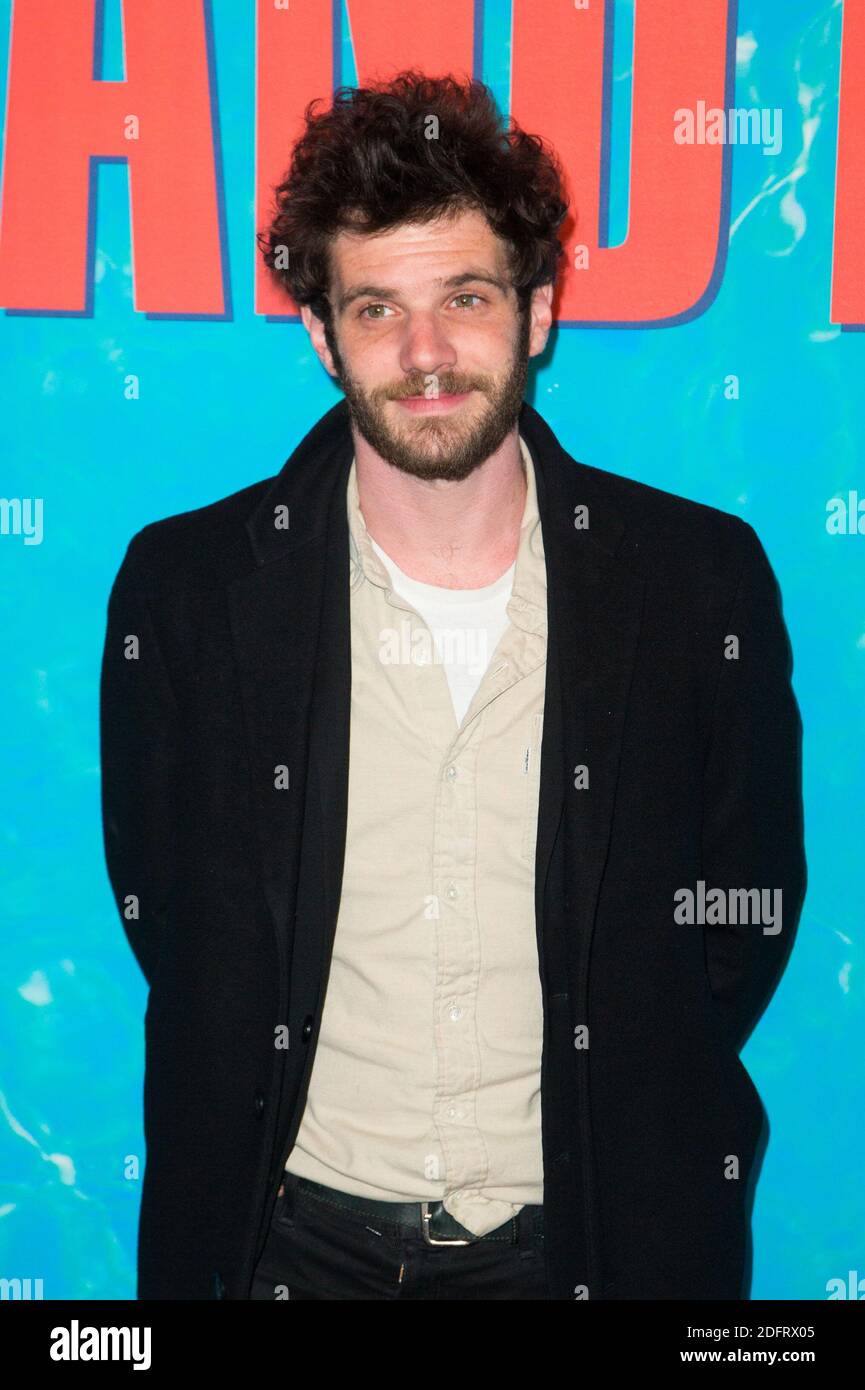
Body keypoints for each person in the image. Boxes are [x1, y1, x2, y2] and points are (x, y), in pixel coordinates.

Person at [99, 70, 806, 1301]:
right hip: (277, 1249)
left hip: (594, 1246)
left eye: (466, 298)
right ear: (322, 335)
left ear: (536, 311)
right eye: (377, 310)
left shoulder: (696, 582)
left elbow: (744, 910)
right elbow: (168, 909)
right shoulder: (188, 589)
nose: (426, 356)